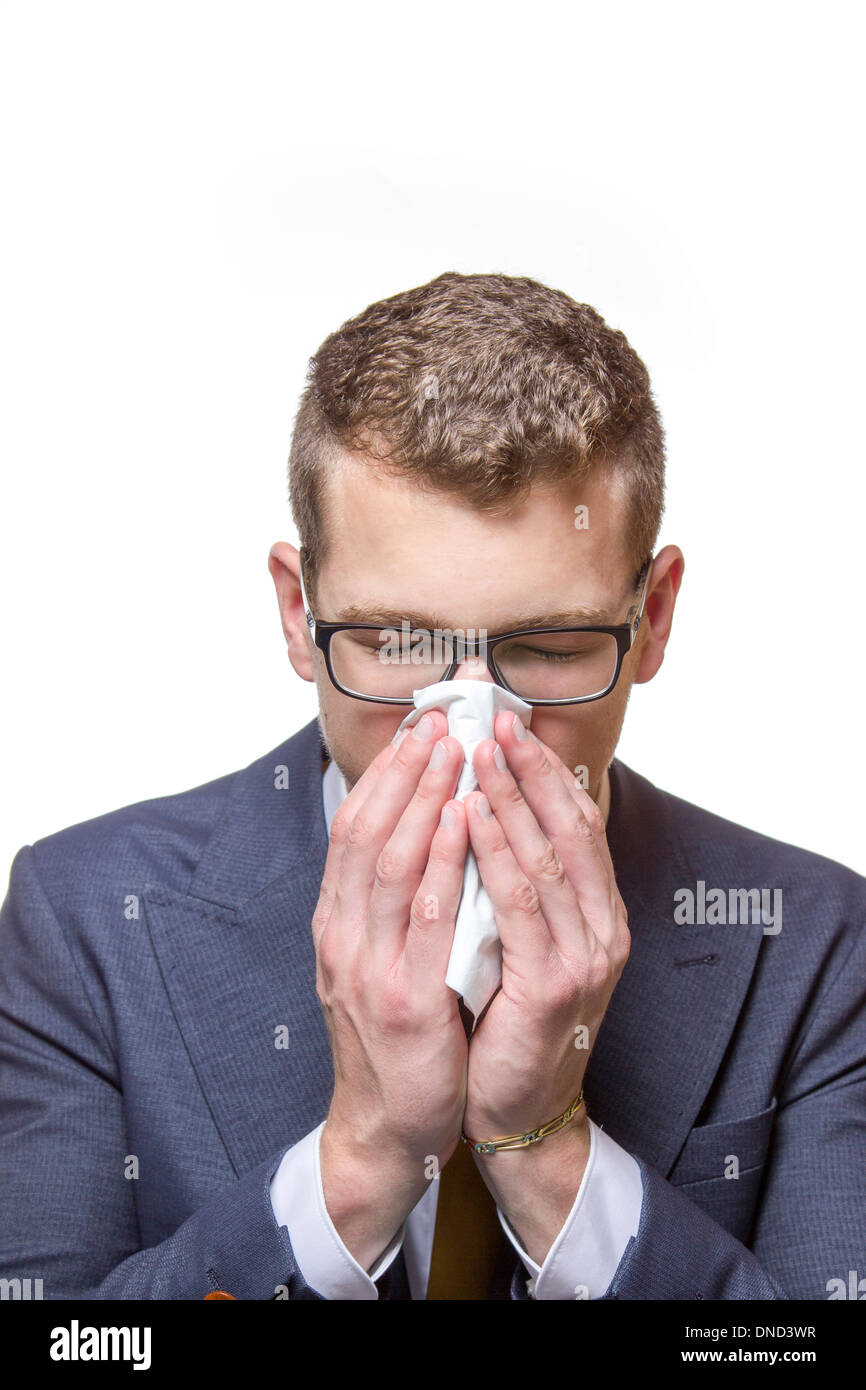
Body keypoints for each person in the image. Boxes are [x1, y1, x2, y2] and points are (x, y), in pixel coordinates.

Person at [1, 272, 864, 1301]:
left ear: (653, 617)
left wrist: (547, 1152)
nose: (471, 726)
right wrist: (357, 1161)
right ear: (295, 612)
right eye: (396, 643)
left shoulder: (811, 942)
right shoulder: (86, 918)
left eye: (546, 645)